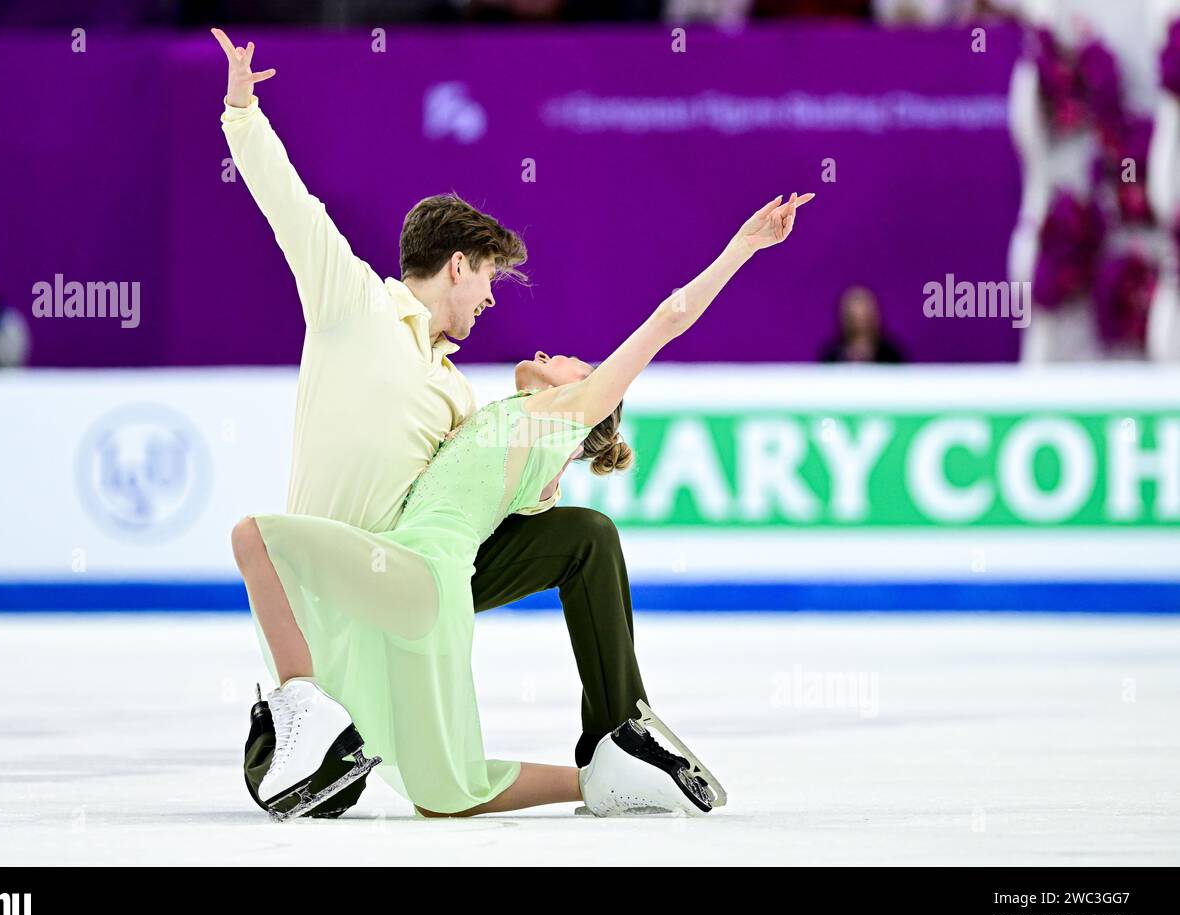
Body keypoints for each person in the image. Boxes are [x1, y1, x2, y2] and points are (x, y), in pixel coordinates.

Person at [233, 165, 814, 817]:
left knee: (255, 537)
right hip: (422, 595)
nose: (556, 352)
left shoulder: (564, 413)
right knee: (443, 795)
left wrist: (743, 246)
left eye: (577, 363)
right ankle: (596, 780)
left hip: (419, 575)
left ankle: (301, 702)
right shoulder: (483, 414)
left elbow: (671, 315)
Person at [211, 28, 651, 817]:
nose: (489, 298)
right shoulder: (351, 304)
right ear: (458, 264)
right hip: (335, 575)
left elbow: (469, 496)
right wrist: (242, 109)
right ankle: (313, 712)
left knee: (588, 535)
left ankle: (619, 740)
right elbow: (289, 203)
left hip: (416, 571)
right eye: (487, 279)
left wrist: (541, 488)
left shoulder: (457, 396)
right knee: (428, 788)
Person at [819, 285, 904, 363]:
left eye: (865, 315)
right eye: (854, 317)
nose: (860, 322)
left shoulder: (891, 356)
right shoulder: (832, 357)